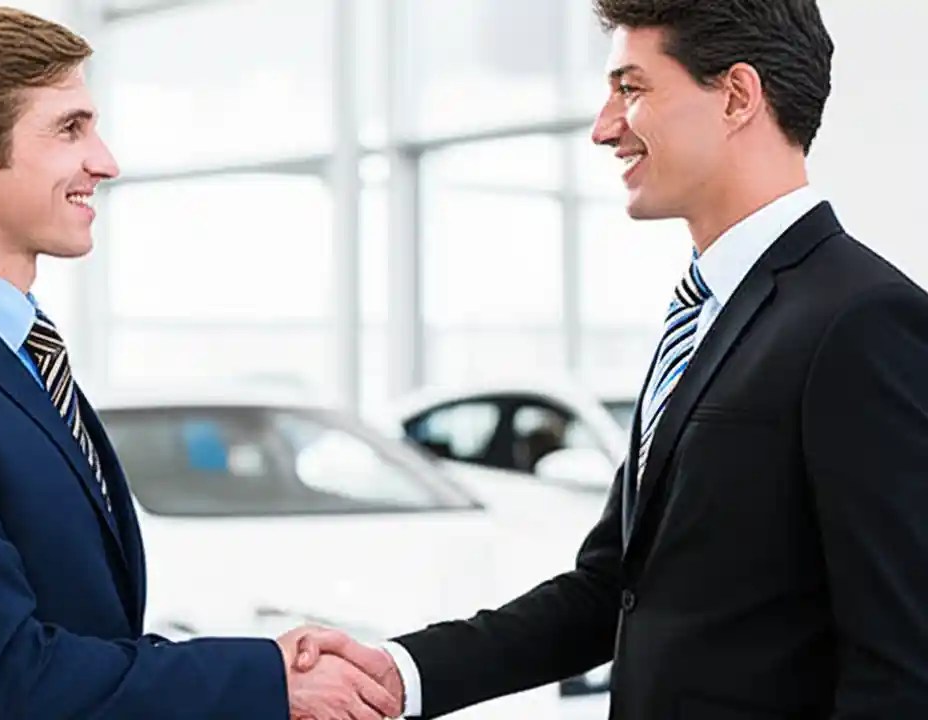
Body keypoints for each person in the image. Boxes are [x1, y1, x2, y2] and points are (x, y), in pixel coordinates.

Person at [296, 0, 928, 717]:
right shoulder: (704, 314)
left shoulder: (863, 321)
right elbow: (612, 589)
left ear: (737, 96)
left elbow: (904, 663)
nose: (603, 128)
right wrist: (399, 674)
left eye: (632, 89)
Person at [0, 7, 398, 719]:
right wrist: (264, 682)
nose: (105, 161)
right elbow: (9, 679)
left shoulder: (7, 345)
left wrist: (260, 661)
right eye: (70, 128)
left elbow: (80, 629)